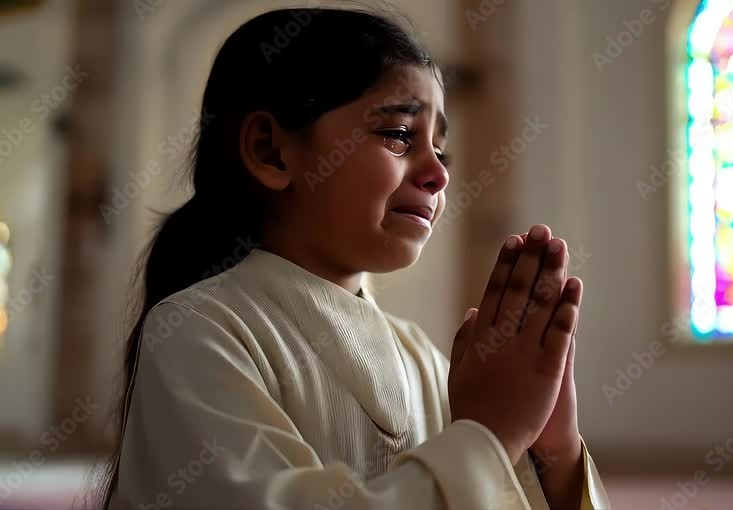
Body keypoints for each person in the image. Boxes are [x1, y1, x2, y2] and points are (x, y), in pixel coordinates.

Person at [99, 6, 609, 510]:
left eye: (442, 150)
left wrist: (551, 454)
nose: (438, 173)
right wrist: (489, 435)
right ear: (271, 150)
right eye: (399, 135)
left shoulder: (424, 359)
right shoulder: (198, 330)